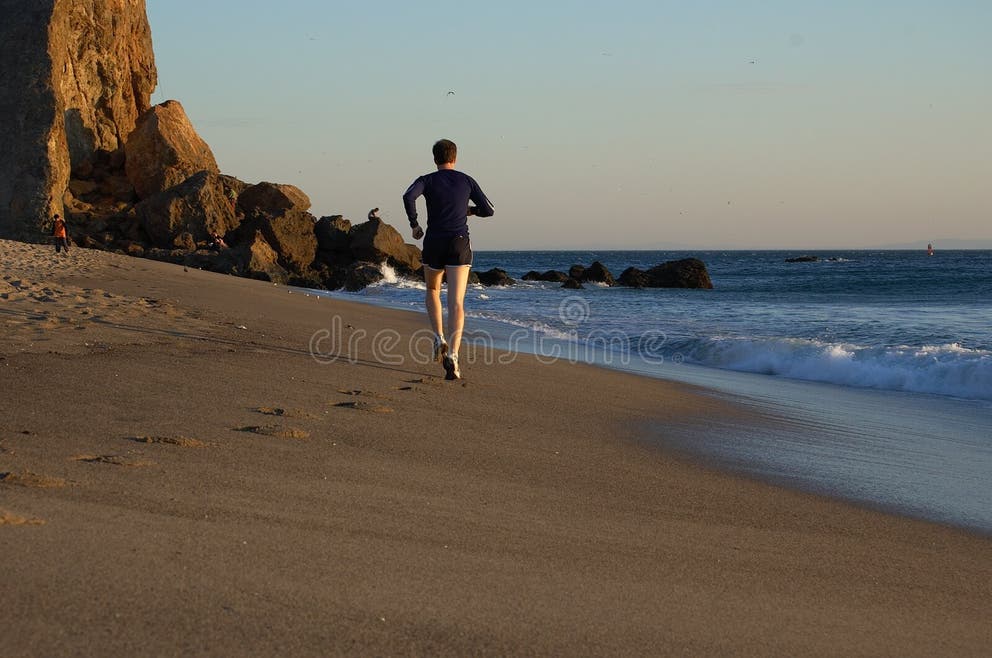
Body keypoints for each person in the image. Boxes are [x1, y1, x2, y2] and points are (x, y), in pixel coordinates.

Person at [403, 139, 494, 380]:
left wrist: (414, 224)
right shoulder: (466, 180)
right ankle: (453, 354)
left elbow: (408, 196)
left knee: (433, 289)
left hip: (434, 241)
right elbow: (489, 209)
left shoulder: (427, 180)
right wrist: (470, 210)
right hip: (459, 242)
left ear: (435, 159)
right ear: (455, 157)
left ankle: (438, 337)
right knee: (456, 302)